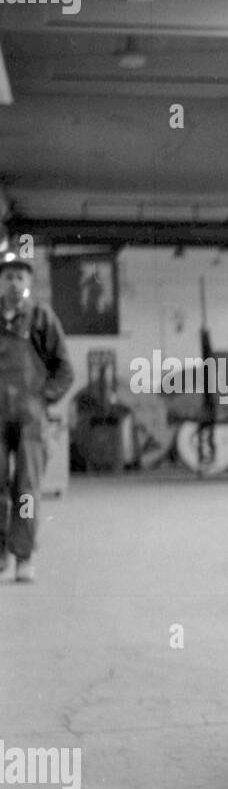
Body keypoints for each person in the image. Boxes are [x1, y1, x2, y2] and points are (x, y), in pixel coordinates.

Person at [0, 249, 75, 583]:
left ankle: (24, 557)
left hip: (31, 418)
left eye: (20, 277)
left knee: (27, 490)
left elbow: (65, 370)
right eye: (7, 277)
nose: (14, 283)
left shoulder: (41, 318)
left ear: (28, 282)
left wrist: (43, 398)